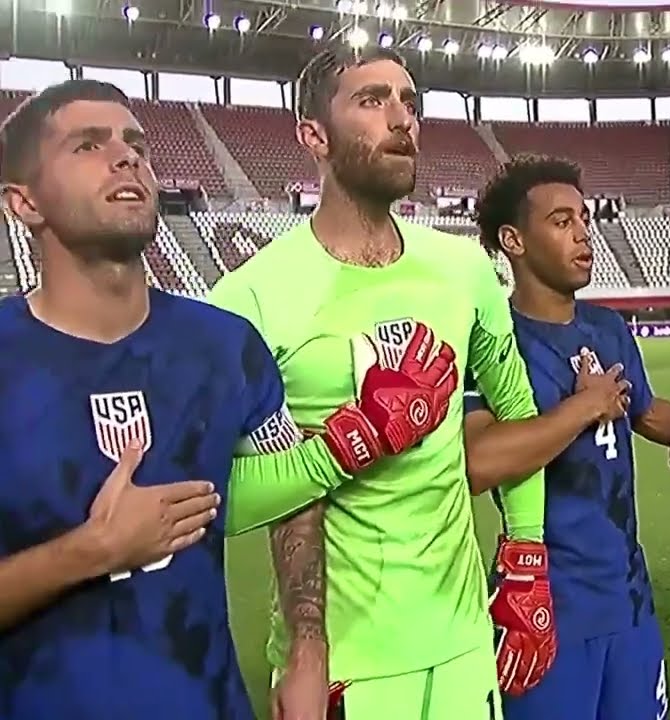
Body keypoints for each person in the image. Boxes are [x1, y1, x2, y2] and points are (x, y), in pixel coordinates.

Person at [0, 80, 394, 718]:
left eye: (135, 144)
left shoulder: (226, 347)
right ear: (25, 203)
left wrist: (307, 649)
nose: (127, 158)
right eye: (86, 146)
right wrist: (92, 550)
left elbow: (294, 494)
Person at [208, 48, 552, 720]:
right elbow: (217, 501)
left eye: (409, 101)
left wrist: (526, 552)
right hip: (347, 669)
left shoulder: (462, 269)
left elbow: (518, 412)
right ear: (314, 136)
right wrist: (349, 444)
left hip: (463, 649)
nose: (402, 119)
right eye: (371, 101)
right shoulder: (246, 300)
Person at [461, 155, 670, 720]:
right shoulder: (493, 338)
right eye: (561, 221)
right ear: (513, 240)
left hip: (628, 600)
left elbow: (649, 414)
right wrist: (584, 407)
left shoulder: (607, 328)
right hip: (545, 606)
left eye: (583, 218)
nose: (583, 233)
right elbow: (478, 460)